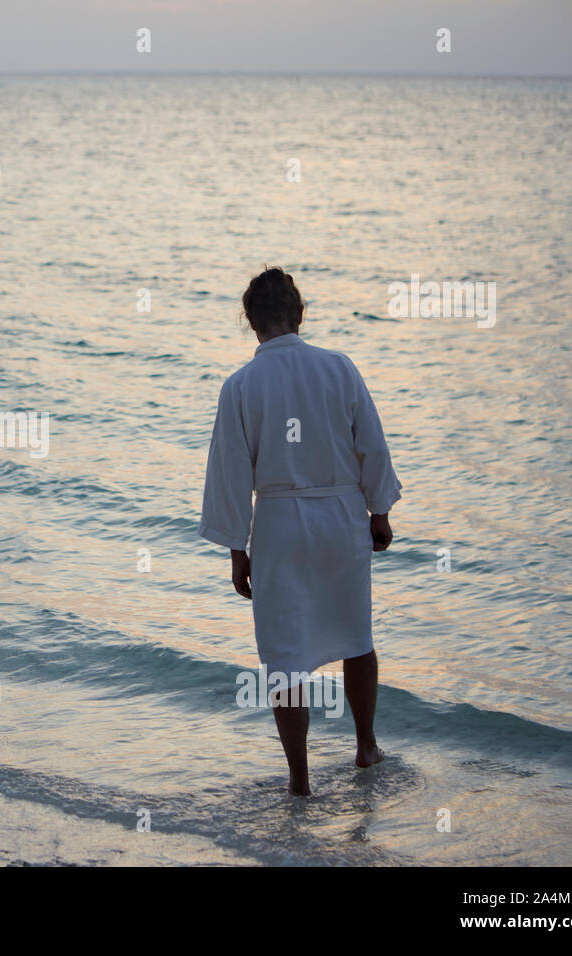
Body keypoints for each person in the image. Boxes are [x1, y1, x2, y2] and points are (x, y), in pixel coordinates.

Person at [199, 267, 402, 797]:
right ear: (300, 313)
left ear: (250, 322)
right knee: (357, 637)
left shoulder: (240, 385)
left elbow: (230, 472)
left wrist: (236, 550)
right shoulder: (338, 368)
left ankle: (300, 780)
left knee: (285, 656)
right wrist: (378, 511)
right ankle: (365, 748)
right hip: (340, 515)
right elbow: (371, 445)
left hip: (280, 523)